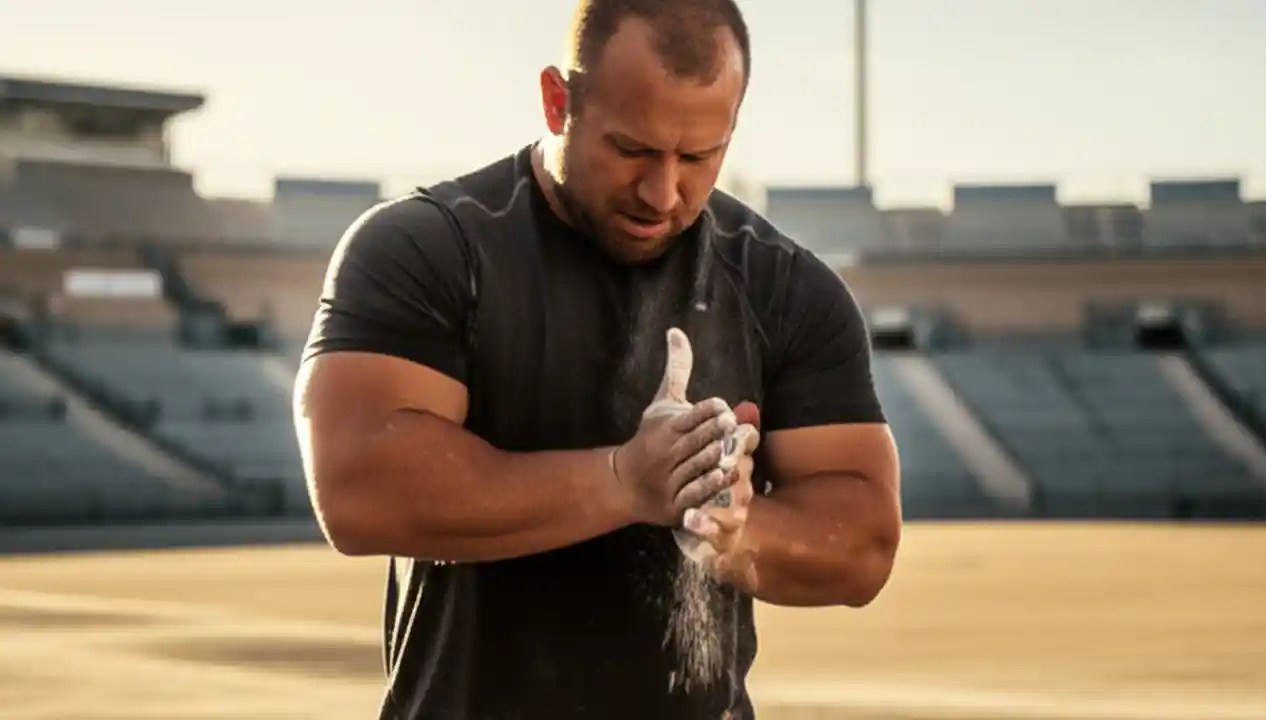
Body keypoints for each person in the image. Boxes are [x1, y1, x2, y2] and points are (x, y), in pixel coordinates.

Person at [293, 0, 902, 717]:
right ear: (558, 100)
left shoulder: (785, 289)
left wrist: (738, 530)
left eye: (699, 156)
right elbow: (359, 490)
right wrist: (625, 482)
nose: (662, 191)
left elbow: (864, 545)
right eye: (632, 148)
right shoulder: (428, 250)